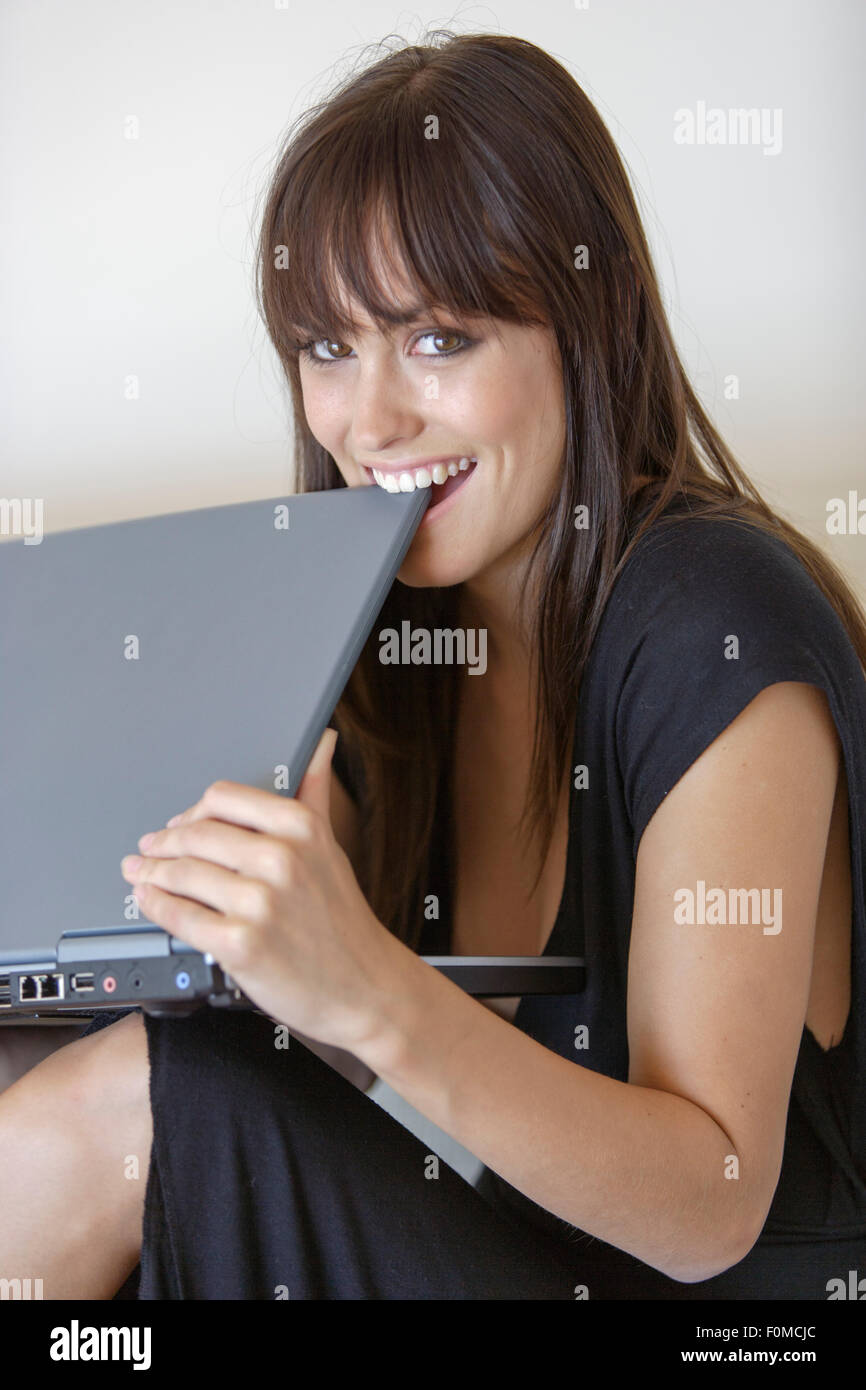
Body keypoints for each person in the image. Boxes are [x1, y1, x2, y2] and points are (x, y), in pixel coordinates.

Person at [1, 30, 864, 1301]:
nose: (368, 422)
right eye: (327, 348)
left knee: (137, 1114)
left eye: (438, 341)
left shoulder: (710, 617)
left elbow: (710, 1203)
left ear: (585, 322)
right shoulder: (387, 639)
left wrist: (365, 988)